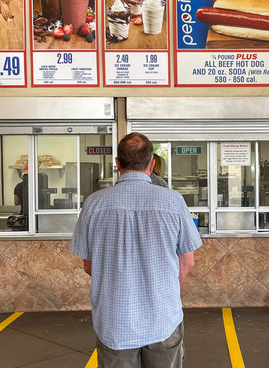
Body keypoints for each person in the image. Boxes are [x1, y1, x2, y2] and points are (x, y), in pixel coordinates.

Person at [70, 132, 202, 368]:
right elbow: (187, 262)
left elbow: (89, 265)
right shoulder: (173, 201)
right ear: (152, 164)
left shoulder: (94, 203)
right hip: (163, 318)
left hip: (114, 321)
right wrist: (159, 284)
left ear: (117, 164)